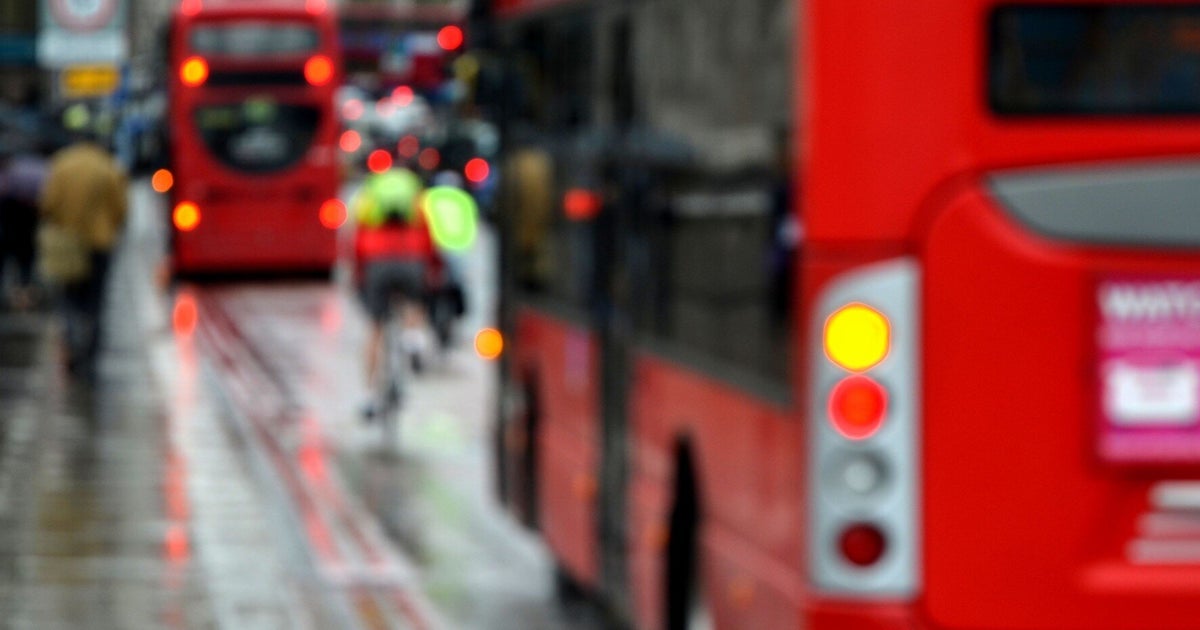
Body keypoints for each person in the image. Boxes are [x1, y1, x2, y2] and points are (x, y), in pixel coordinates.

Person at [38, 121, 128, 378]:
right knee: (95, 302)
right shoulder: (107, 166)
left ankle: (72, 344)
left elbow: (48, 204)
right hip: (100, 242)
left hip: (68, 243)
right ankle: (91, 354)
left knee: (68, 298)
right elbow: (121, 207)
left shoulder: (61, 164)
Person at [352, 165, 442, 418]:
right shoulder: (417, 199)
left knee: (376, 328)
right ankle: (413, 340)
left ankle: (369, 397)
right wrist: (433, 269)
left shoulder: (368, 199)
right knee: (414, 303)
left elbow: (356, 240)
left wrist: (359, 275)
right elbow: (430, 238)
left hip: (376, 262)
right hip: (411, 259)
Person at [0, 145, 45, 310]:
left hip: (9, 236)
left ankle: (19, 299)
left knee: (16, 267)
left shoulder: (7, 185)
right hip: (25, 237)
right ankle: (24, 300)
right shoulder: (33, 181)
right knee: (25, 268)